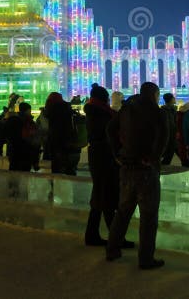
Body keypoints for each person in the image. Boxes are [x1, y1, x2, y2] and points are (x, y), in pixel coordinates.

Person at [106, 82, 168, 270]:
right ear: (155, 94)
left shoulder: (126, 110)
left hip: (126, 166)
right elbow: (164, 138)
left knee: (123, 211)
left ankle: (112, 250)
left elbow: (109, 129)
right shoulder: (158, 112)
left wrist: (117, 153)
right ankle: (145, 258)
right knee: (148, 216)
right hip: (146, 169)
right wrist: (154, 158)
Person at [84, 83, 133, 248]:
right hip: (104, 157)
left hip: (100, 156)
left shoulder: (96, 111)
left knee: (102, 196)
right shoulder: (101, 113)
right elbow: (110, 134)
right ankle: (114, 238)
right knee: (108, 197)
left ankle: (95, 235)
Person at [44, 92, 81, 175]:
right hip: (67, 141)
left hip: (55, 141)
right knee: (68, 166)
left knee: (57, 167)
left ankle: (56, 184)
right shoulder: (66, 109)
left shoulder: (50, 111)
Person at [3, 102, 37, 171]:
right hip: (26, 153)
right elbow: (33, 139)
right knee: (25, 174)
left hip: (14, 154)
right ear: (27, 110)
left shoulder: (13, 120)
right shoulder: (28, 122)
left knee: (13, 174)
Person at [160, 93, 177, 165]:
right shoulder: (166, 111)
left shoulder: (170, 110)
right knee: (168, 155)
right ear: (171, 99)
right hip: (170, 136)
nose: (175, 99)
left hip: (172, 136)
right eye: (173, 97)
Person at [174, 101, 189, 166]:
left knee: (184, 158)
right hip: (184, 140)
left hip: (180, 140)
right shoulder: (185, 117)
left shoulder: (179, 115)